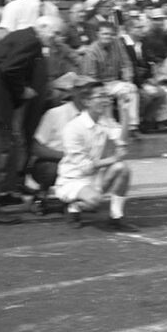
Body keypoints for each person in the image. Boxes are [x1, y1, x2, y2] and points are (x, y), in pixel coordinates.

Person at [0, 16, 59, 225]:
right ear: (42, 27)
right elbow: (10, 68)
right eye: (55, 32)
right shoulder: (30, 40)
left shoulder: (24, 37)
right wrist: (22, 91)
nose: (56, 37)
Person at [55, 83, 134, 231]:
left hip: (94, 176)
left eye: (106, 96)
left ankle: (116, 216)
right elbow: (84, 167)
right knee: (95, 201)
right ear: (87, 101)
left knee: (124, 169)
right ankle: (74, 206)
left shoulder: (105, 121)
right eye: (100, 96)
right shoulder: (73, 128)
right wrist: (113, 159)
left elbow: (122, 141)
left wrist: (124, 111)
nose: (105, 100)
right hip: (72, 179)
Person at [28, 72, 97, 215]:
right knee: (51, 170)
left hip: (82, 164)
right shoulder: (54, 114)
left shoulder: (95, 116)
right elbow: (36, 147)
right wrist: (66, 156)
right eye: (81, 89)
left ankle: (75, 200)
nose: (86, 93)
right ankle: (40, 197)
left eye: (90, 90)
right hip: (55, 162)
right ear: (73, 92)